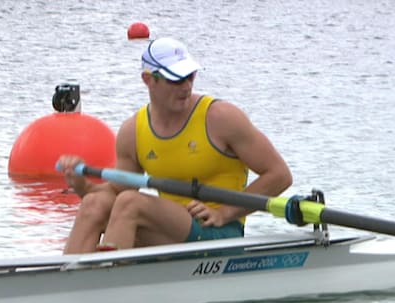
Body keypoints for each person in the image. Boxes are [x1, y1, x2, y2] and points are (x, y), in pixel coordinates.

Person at [56, 37, 292, 254]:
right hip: (169, 233)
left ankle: (110, 282)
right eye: (175, 79)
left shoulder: (220, 118)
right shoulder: (133, 131)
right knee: (95, 202)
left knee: (130, 203)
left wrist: (224, 213)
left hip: (219, 231)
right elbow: (115, 192)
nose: (186, 86)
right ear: (148, 79)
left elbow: (280, 174)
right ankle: (65, 283)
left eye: (190, 76)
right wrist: (82, 185)